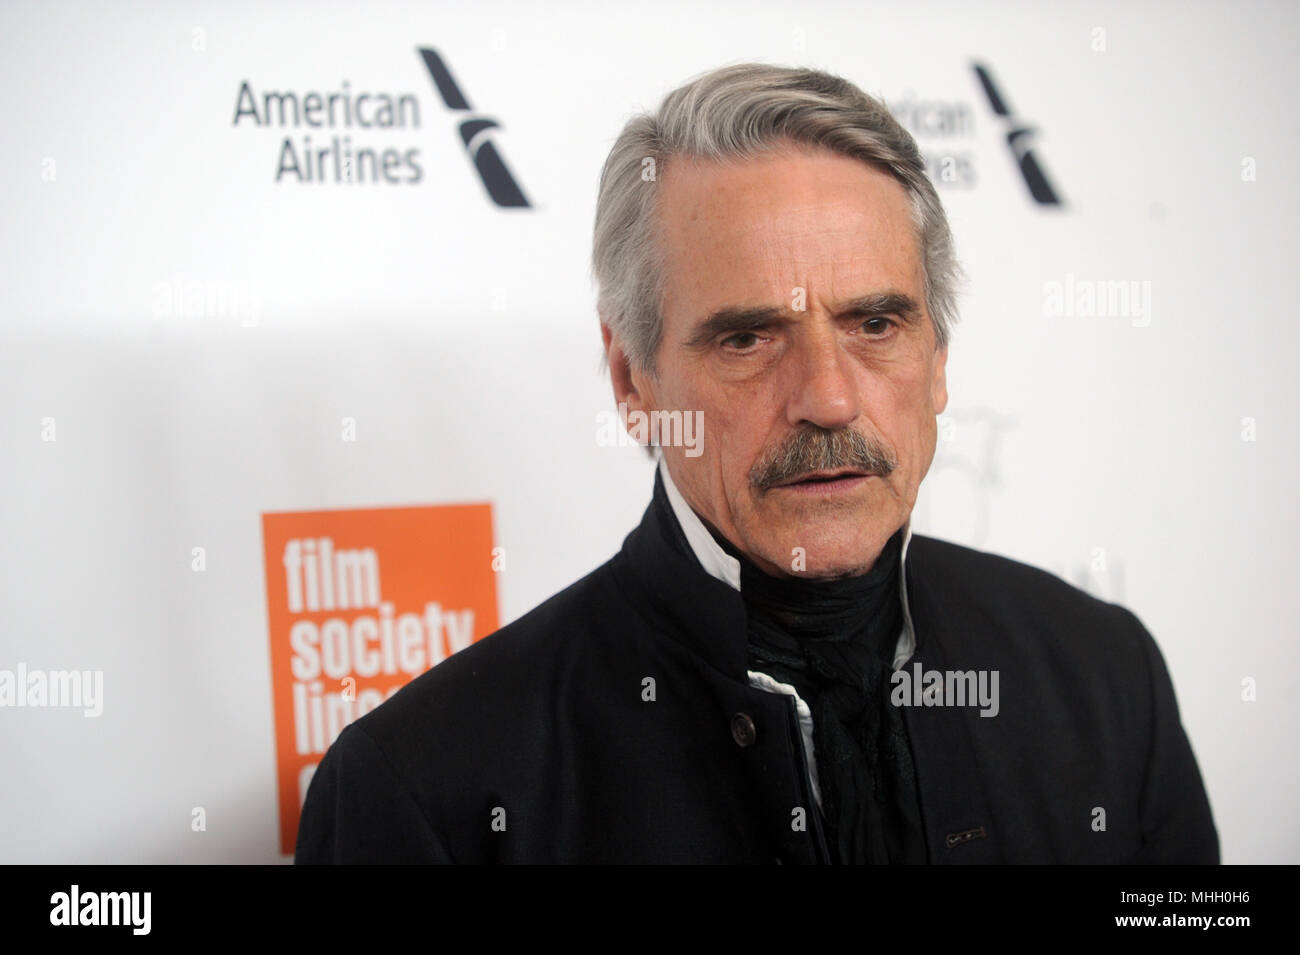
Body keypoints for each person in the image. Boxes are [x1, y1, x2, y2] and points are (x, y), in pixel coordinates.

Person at [294, 62, 1218, 864]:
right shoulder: (423, 788)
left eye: (876, 323)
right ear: (633, 381)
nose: (829, 396)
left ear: (938, 360)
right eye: (747, 337)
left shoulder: (1106, 677)